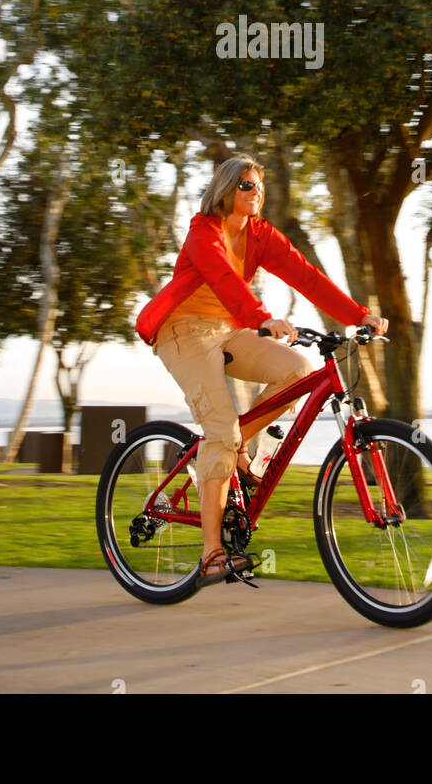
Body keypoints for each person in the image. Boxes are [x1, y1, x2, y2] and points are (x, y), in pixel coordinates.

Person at [135, 155, 389, 586]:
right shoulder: (204, 230)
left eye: (260, 187)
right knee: (221, 430)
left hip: (229, 329)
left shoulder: (260, 235)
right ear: (227, 190)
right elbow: (223, 279)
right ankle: (212, 554)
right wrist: (262, 317)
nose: (257, 194)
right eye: (247, 186)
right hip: (183, 332)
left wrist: (357, 314)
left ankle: (239, 448)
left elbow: (306, 276)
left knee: (296, 370)